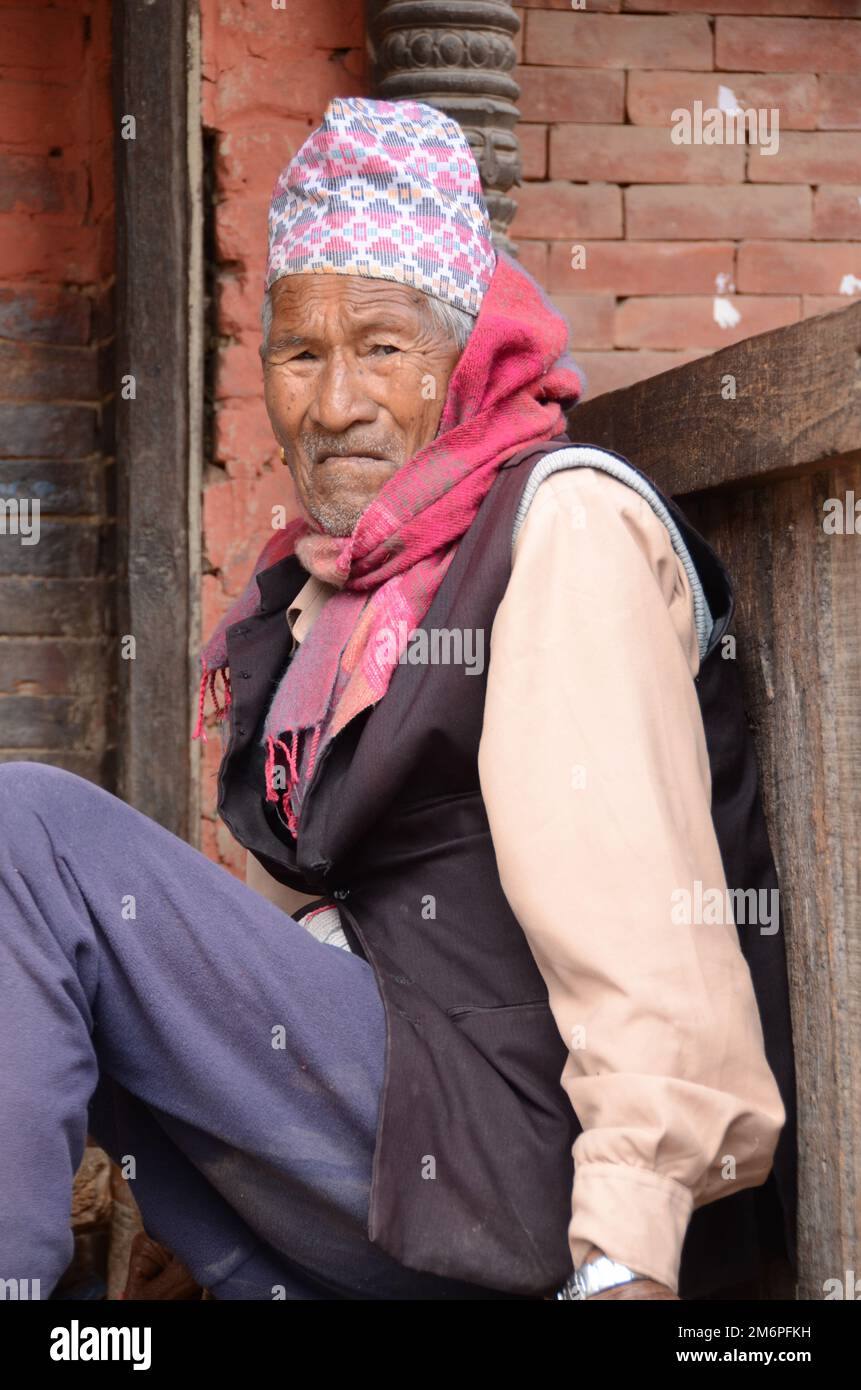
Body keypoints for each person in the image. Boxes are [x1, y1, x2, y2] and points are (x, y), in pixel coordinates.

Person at [0, 96, 796, 1302]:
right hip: (419, 1149)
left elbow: (650, 948)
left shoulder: (559, 526)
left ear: (467, 353)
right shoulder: (332, 593)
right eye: (300, 353)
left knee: (28, 835)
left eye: (382, 347)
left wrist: (628, 1252)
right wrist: (192, 1178)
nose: (333, 405)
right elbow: (282, 936)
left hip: (529, 1176)